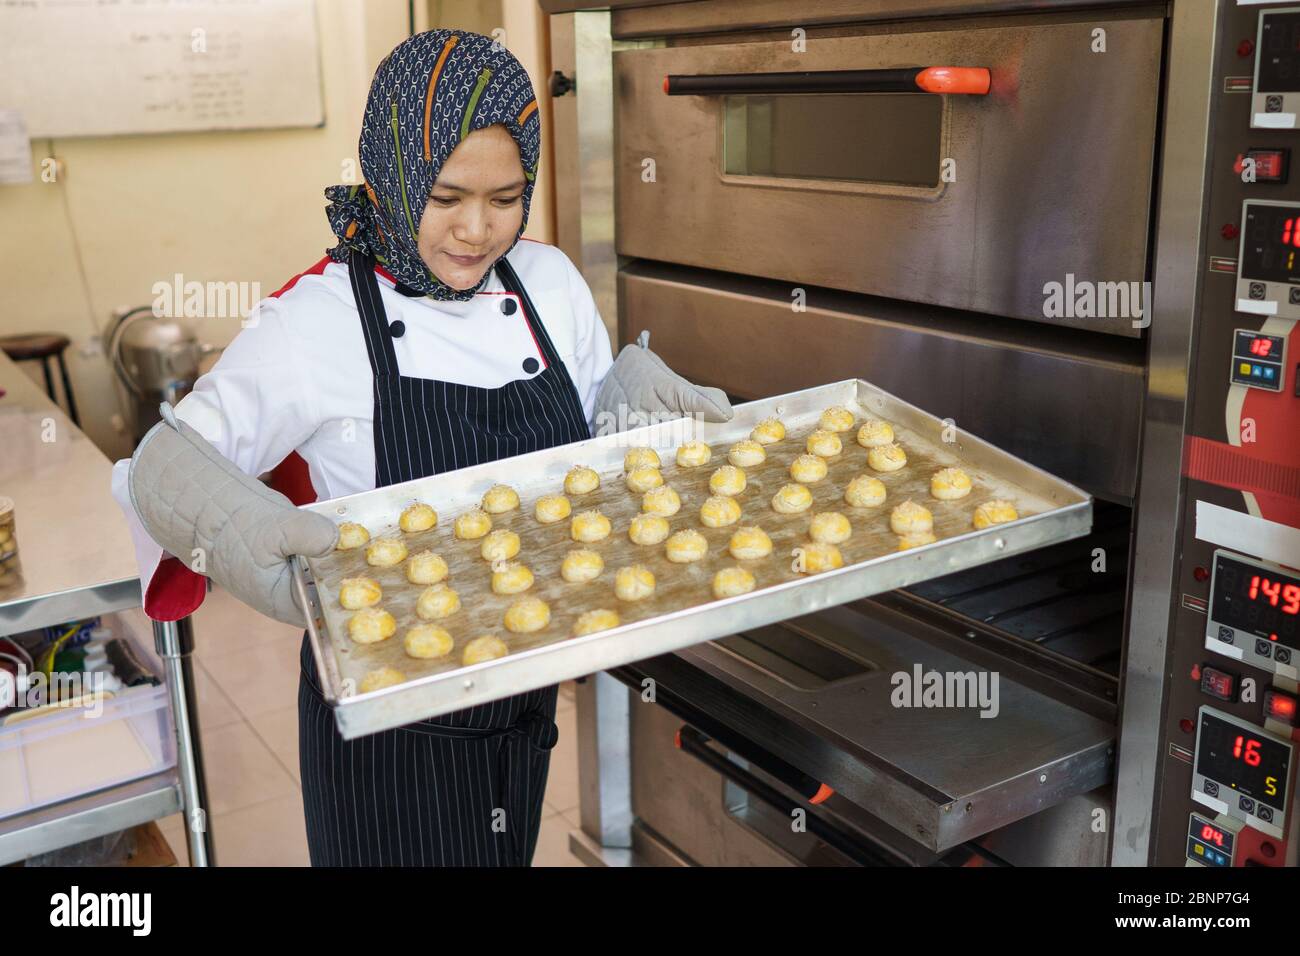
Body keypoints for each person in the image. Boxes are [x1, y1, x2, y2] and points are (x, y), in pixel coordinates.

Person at [111, 29, 733, 866]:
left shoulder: (546, 283)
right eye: (445, 196)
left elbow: (588, 425)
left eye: (507, 198)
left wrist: (631, 402)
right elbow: (169, 463)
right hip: (387, 722)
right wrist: (237, 531)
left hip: (522, 683)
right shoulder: (317, 319)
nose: (477, 231)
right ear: (387, 170)